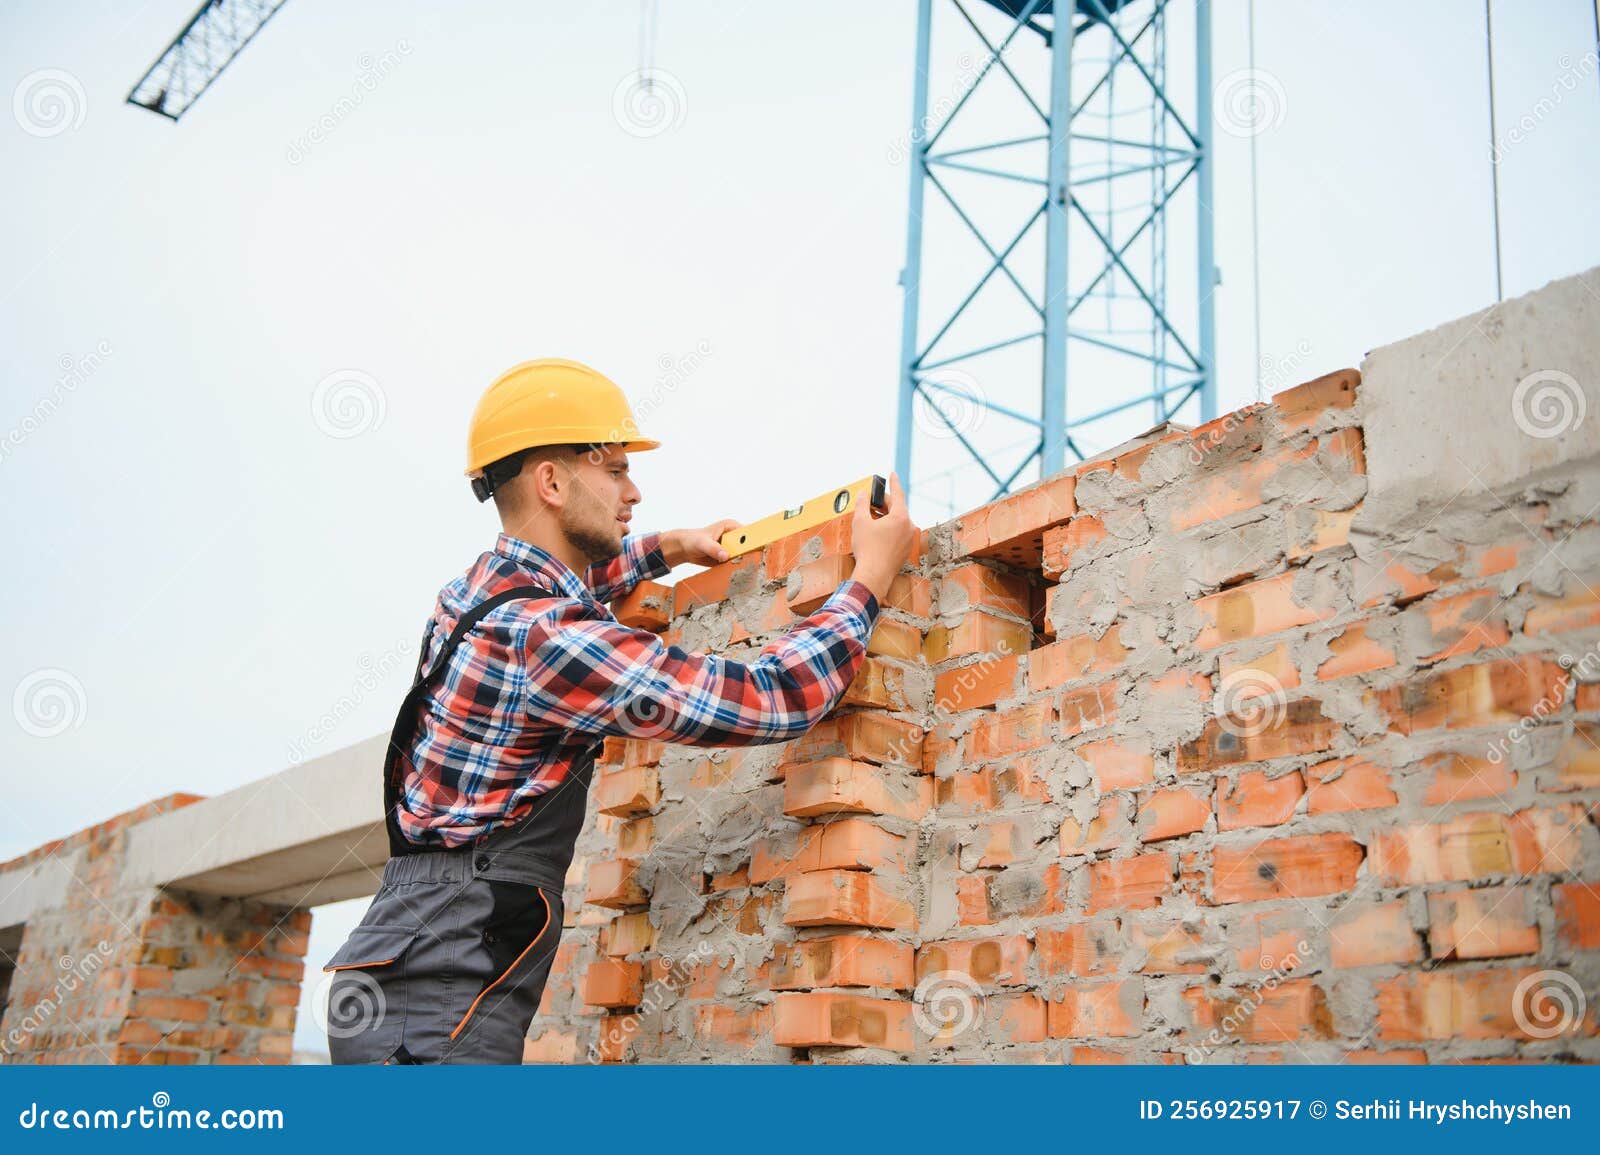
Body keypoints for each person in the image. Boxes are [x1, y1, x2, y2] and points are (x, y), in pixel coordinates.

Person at [321, 357, 917, 1063]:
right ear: (551, 481)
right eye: (613, 469)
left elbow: (565, 582)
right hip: (436, 1007)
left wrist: (664, 549)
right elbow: (769, 696)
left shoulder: (474, 593)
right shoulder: (547, 641)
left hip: (400, 974)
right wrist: (871, 577)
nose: (633, 490)